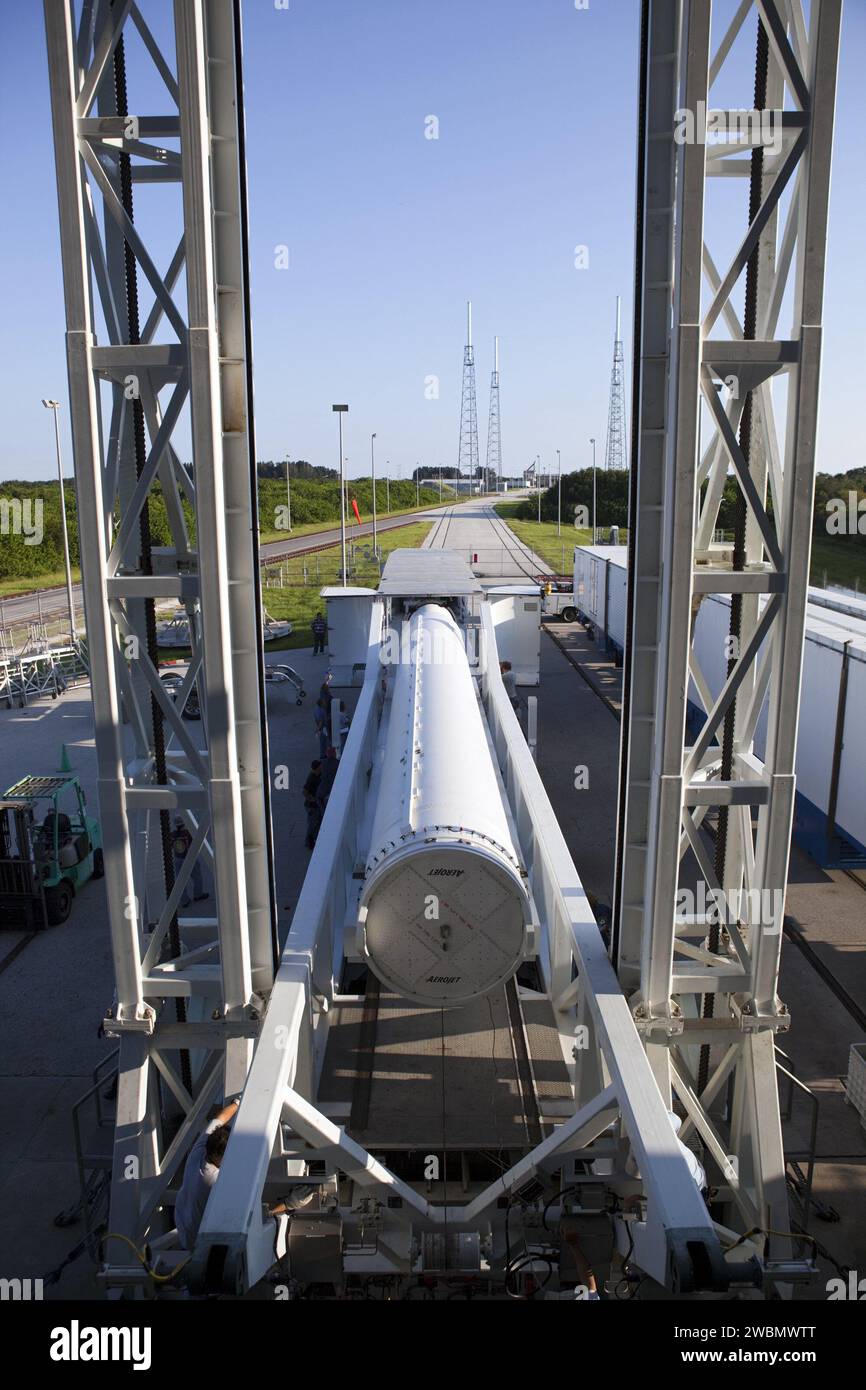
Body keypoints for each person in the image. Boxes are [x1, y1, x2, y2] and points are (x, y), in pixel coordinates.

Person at [175, 1096, 240, 1249]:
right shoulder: (215, 1182)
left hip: (182, 1220)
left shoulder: (202, 1148)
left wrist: (237, 1103)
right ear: (222, 1158)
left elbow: (220, 1118)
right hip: (196, 1241)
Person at [172, 816, 207, 907]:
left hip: (178, 859)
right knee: (197, 877)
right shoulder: (188, 833)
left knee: (180, 881)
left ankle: (184, 900)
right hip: (190, 858)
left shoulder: (172, 834)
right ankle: (198, 894)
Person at [303, 759, 323, 849]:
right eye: (320, 766)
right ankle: (308, 842)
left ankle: (314, 840)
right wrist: (312, 799)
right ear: (317, 768)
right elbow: (304, 791)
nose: (322, 767)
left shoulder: (319, 775)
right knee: (312, 824)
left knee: (317, 822)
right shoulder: (311, 778)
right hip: (311, 806)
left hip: (316, 805)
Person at [317, 746, 339, 814]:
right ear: (334, 754)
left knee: (320, 801)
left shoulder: (322, 763)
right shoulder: (338, 763)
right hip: (333, 789)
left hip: (323, 790)